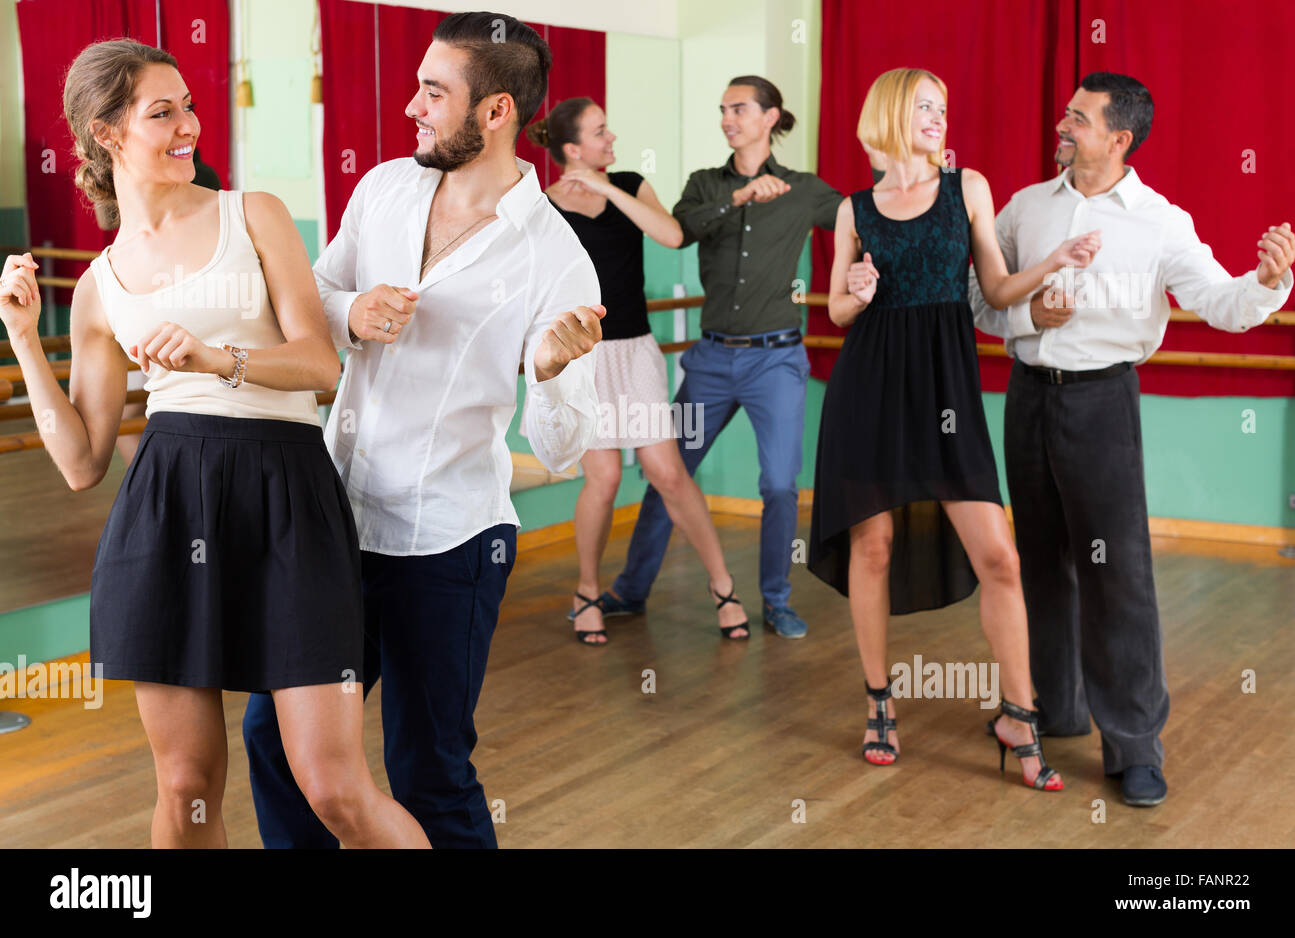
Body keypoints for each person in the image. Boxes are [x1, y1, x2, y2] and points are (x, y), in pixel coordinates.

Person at [0, 39, 429, 847]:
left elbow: (319, 366)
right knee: (186, 784)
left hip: (288, 496)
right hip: (165, 509)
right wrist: (25, 339)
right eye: (162, 112)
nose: (187, 126)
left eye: (188, 106)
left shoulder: (251, 214)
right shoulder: (98, 288)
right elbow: (82, 463)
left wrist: (211, 357)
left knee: (335, 786)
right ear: (107, 132)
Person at [241, 12, 605, 848]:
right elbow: (311, 307)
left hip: (450, 546)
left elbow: (562, 447)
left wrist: (548, 373)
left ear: (497, 111)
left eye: (434, 92)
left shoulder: (555, 256)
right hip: (335, 524)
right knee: (274, 739)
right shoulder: (383, 190)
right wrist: (350, 310)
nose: (413, 106)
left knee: (427, 768)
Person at [967, 72, 1295, 806]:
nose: (1063, 124)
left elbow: (1219, 303)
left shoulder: (1159, 221)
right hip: (1028, 399)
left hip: (1103, 403)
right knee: (1042, 566)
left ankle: (1136, 746)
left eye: (1078, 118)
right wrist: (1029, 323)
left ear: (1119, 138)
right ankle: (1055, 707)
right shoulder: (1025, 209)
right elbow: (982, 305)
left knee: (1119, 576)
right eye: (1066, 113)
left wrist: (1269, 281)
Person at [813, 68, 1101, 788]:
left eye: (944, 106)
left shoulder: (967, 188)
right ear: (890, 114)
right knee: (871, 549)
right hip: (868, 390)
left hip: (946, 389)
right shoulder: (854, 208)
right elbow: (836, 313)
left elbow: (997, 290)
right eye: (924, 107)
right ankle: (880, 702)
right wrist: (856, 292)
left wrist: (1053, 263)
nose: (939, 116)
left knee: (999, 557)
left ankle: (1018, 714)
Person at [601, 76, 842, 640]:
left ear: (770, 117)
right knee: (669, 473)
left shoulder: (804, 190)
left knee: (780, 485)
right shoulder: (704, 184)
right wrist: (738, 198)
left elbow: (861, 223)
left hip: (776, 363)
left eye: (739, 109)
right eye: (723, 109)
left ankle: (777, 600)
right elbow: (681, 232)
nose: (727, 118)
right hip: (709, 363)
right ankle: (631, 590)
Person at [524, 98, 751, 644]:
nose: (612, 138)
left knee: (669, 474)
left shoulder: (628, 182)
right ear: (573, 148)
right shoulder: (541, 207)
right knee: (601, 481)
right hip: (586, 356)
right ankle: (585, 592)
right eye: (601, 132)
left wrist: (603, 187)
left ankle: (723, 587)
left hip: (637, 350)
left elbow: (671, 235)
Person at [99, 144, 221, 467]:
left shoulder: (200, 178)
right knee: (132, 416)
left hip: (179, 302)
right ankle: (145, 478)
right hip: (151, 299)